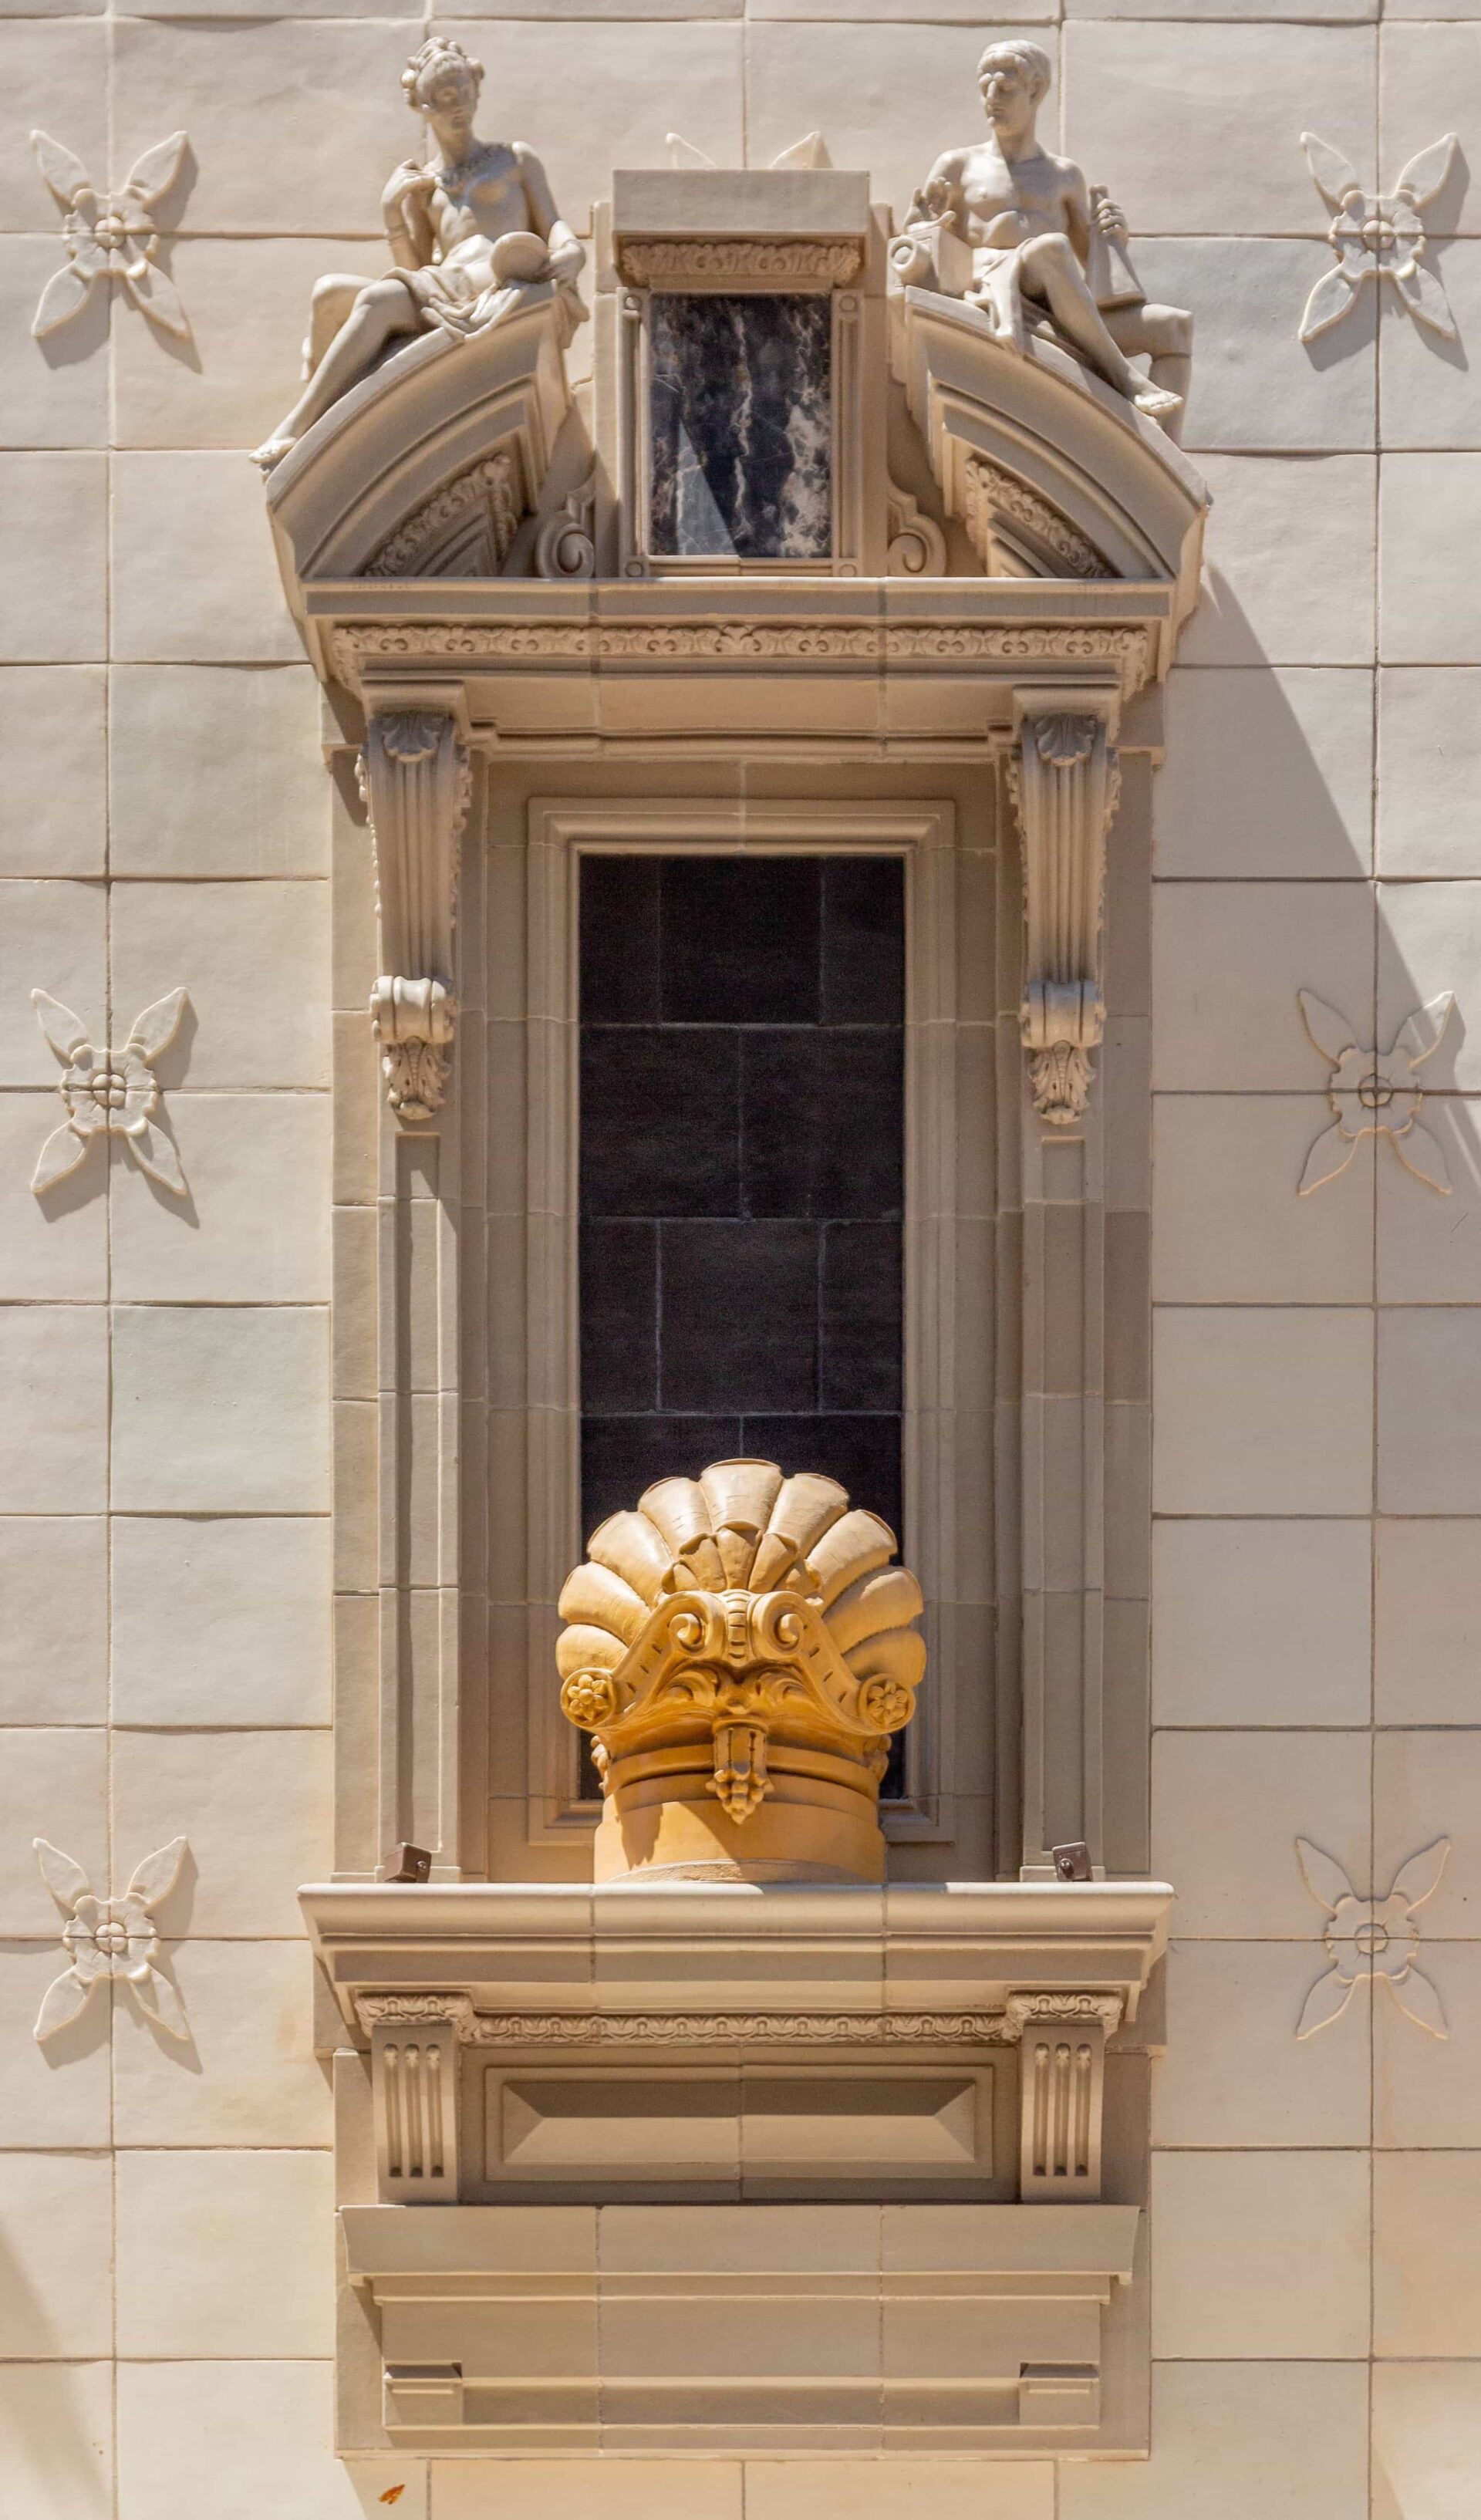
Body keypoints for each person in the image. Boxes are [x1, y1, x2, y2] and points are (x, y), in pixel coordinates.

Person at [253, 37, 585, 469]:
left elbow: (552, 223)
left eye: (463, 92)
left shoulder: (514, 159)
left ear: (476, 90)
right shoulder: (424, 186)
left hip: (498, 274)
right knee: (328, 293)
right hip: (444, 285)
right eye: (444, 98)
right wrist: (392, 211)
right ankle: (324, 428)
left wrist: (572, 250)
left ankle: (299, 428)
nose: (458, 105)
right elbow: (413, 275)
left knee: (375, 300)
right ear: (424, 107)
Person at [901, 42, 1191, 435]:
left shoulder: (1064, 175)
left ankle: (1169, 473)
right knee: (1051, 247)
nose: (991, 100)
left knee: (1173, 326)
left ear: (1035, 92)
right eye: (985, 89)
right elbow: (915, 242)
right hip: (988, 285)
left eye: (1004, 89)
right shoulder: (959, 164)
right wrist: (924, 222)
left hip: (1056, 302)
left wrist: (1113, 235)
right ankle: (1125, 377)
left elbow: (1092, 268)